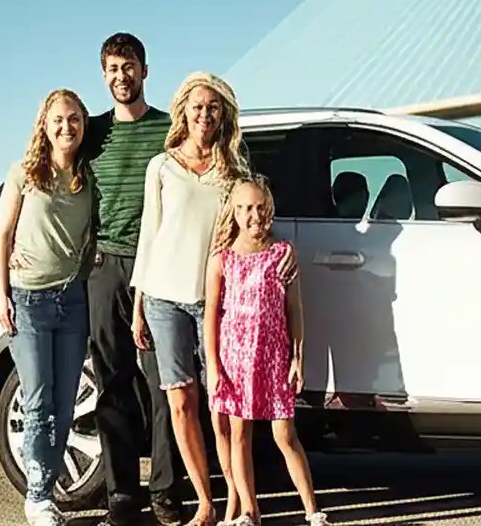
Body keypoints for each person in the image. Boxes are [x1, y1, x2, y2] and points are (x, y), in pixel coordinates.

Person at [131, 71, 258, 526]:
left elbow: (254, 227)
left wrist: (282, 261)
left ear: (224, 115)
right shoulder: (162, 166)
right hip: (164, 298)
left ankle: (236, 502)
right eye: (198, 107)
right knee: (179, 402)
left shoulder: (234, 171)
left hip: (216, 302)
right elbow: (150, 236)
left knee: (220, 402)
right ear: (184, 110)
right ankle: (204, 502)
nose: (205, 115)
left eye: (214, 108)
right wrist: (138, 305)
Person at [83, 33, 187, 526]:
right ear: (103, 75)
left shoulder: (170, 130)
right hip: (105, 268)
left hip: (160, 270)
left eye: (128, 67)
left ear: (145, 71)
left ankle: (166, 490)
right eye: (111, 69)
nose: (120, 77)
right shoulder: (92, 134)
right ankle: (123, 493)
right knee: (112, 383)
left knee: (166, 384)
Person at [0, 88, 98, 526]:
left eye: (74, 118)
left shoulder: (87, 178)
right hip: (29, 300)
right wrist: (0, 295)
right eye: (58, 119)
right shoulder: (24, 173)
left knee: (64, 405)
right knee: (38, 402)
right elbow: (3, 235)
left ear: (83, 125)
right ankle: (37, 496)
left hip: (71, 300)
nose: (66, 126)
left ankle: (48, 489)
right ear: (44, 123)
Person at [204, 176, 328, 526]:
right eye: (244, 208)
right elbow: (211, 314)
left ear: (269, 208)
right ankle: (249, 510)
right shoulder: (222, 259)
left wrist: (297, 358)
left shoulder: (282, 253)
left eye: (259, 207)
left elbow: (295, 310)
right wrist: (213, 365)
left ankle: (312, 509)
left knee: (285, 435)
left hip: (272, 357)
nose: (253, 215)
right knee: (239, 434)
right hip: (234, 358)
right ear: (233, 211)